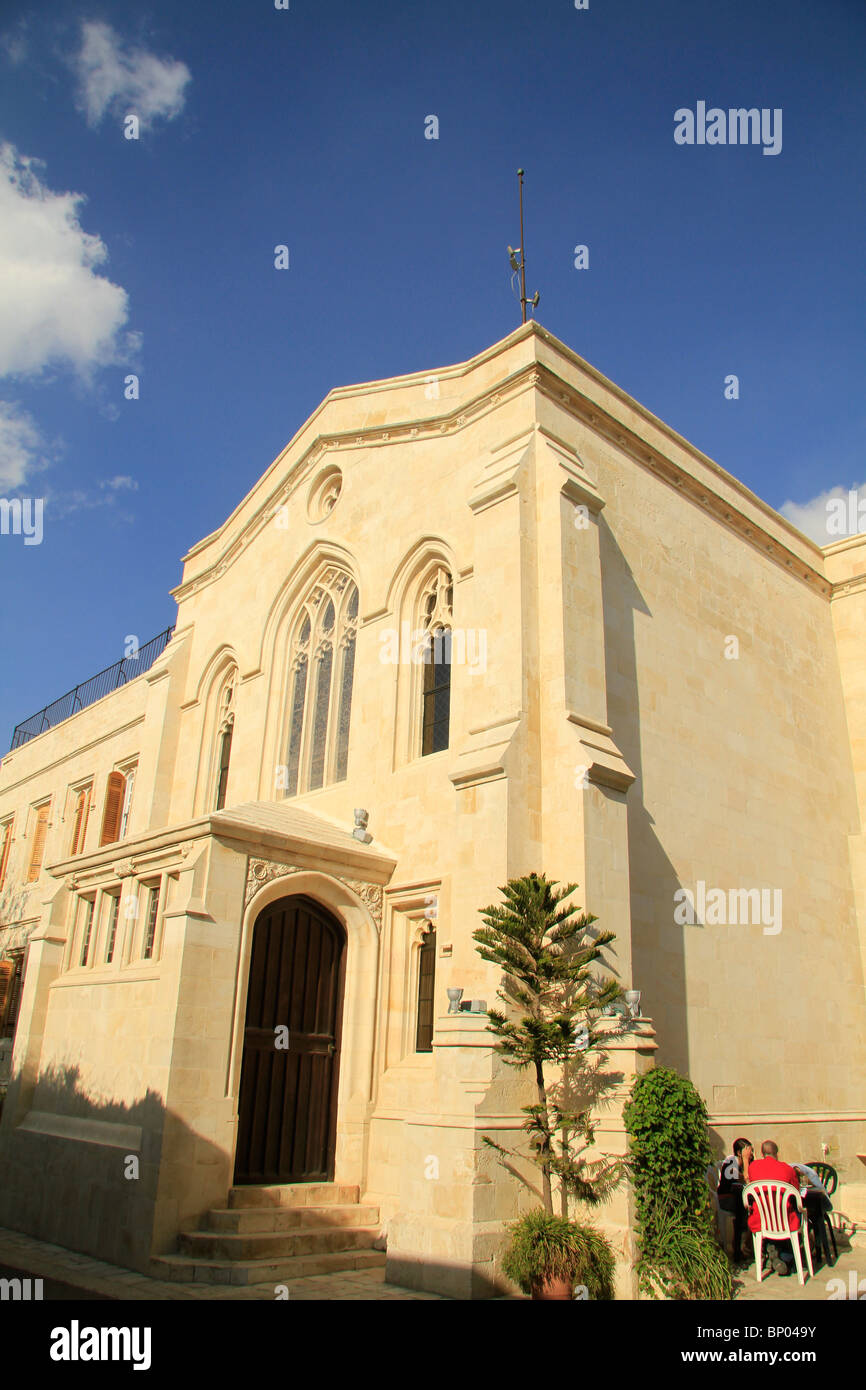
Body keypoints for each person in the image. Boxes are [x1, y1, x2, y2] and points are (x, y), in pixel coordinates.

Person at [746, 1140, 801, 1275]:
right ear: (777, 1154)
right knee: (797, 1213)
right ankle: (786, 1258)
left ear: (762, 1153)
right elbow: (796, 1192)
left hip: (761, 1220)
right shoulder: (787, 1169)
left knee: (771, 1214)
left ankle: (772, 1249)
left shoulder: (753, 1167)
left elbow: (750, 1181)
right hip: (785, 1221)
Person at [717, 1137, 753, 1264]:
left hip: (741, 1198)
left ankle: (749, 1246)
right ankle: (738, 1248)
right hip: (726, 1198)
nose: (751, 1154)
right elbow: (743, 1180)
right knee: (741, 1209)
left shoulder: (749, 1162)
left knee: (748, 1207)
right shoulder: (730, 1163)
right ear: (739, 1152)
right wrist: (745, 1160)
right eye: (748, 1151)